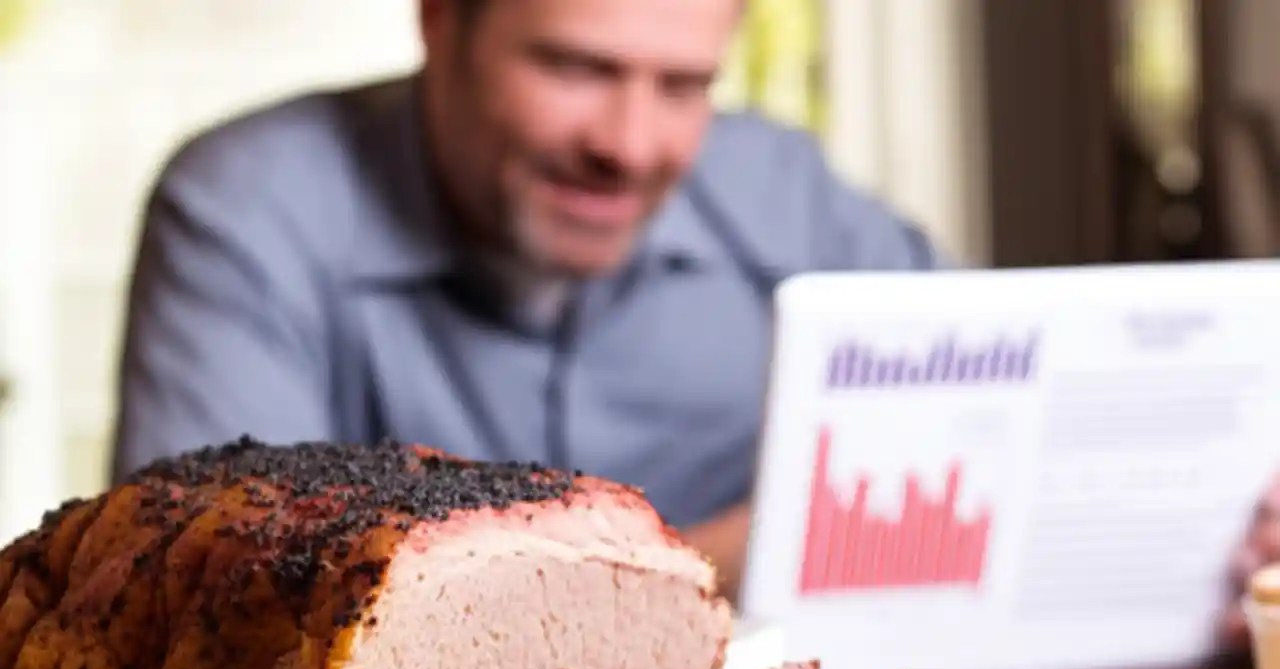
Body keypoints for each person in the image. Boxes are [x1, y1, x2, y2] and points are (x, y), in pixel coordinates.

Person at [112, 0, 939, 599]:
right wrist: (745, 551)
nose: (629, 144)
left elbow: (1015, 423)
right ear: (439, 22)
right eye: (576, 68)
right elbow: (217, 597)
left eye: (684, 85)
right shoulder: (246, 208)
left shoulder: (784, 190)